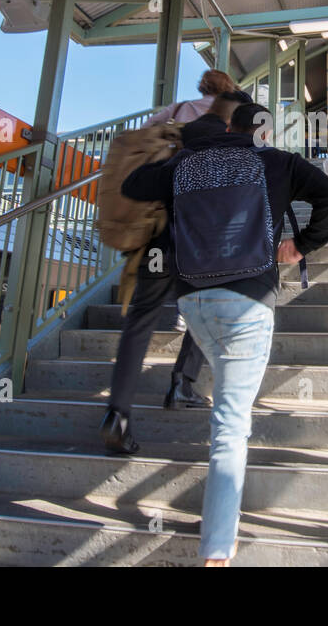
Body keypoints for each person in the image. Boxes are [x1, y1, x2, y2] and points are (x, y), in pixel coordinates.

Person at [122, 102, 328, 565]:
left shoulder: (186, 163)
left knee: (226, 395)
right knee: (230, 423)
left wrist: (176, 150)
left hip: (192, 299)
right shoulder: (277, 161)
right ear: (261, 133)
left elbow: (132, 185)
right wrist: (301, 246)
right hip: (248, 299)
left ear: (229, 127)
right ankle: (218, 549)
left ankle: (218, 534)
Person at [99, 93, 254, 454]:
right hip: (201, 250)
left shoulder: (176, 136)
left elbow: (133, 185)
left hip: (156, 245)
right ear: (234, 120)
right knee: (207, 316)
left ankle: (117, 414)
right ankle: (182, 383)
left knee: (138, 324)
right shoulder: (232, 144)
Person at [146, 69, 237, 126]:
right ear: (228, 88)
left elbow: (148, 125)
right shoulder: (233, 111)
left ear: (202, 85)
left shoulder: (178, 108)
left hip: (182, 154)